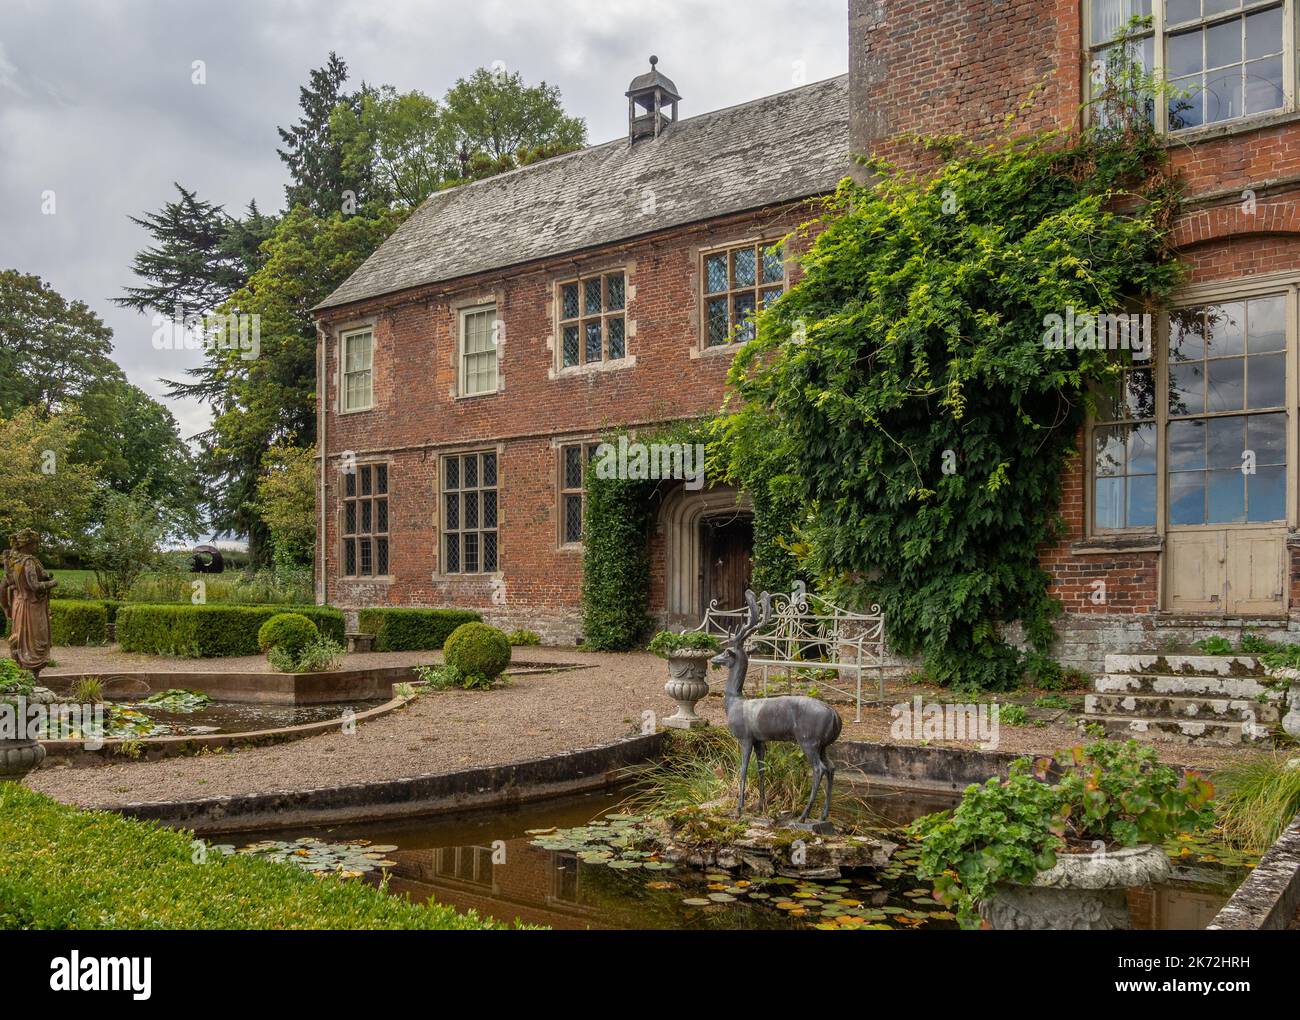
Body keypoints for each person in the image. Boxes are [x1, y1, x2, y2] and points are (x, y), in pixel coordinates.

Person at [0, 529, 57, 679]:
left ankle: (22, 677)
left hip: (18, 606)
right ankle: (32, 679)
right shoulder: (28, 562)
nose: (37, 546)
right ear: (27, 544)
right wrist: (52, 583)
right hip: (32, 607)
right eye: (35, 543)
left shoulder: (13, 561)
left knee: (19, 639)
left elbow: (3, 586)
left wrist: (5, 606)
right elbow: (34, 586)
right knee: (35, 642)